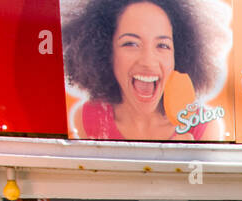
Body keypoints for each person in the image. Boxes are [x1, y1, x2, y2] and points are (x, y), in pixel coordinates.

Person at [62, 0, 229, 141]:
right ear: (105, 52)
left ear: (179, 56)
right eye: (131, 44)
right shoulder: (88, 118)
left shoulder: (203, 126)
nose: (148, 62)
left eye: (162, 45)